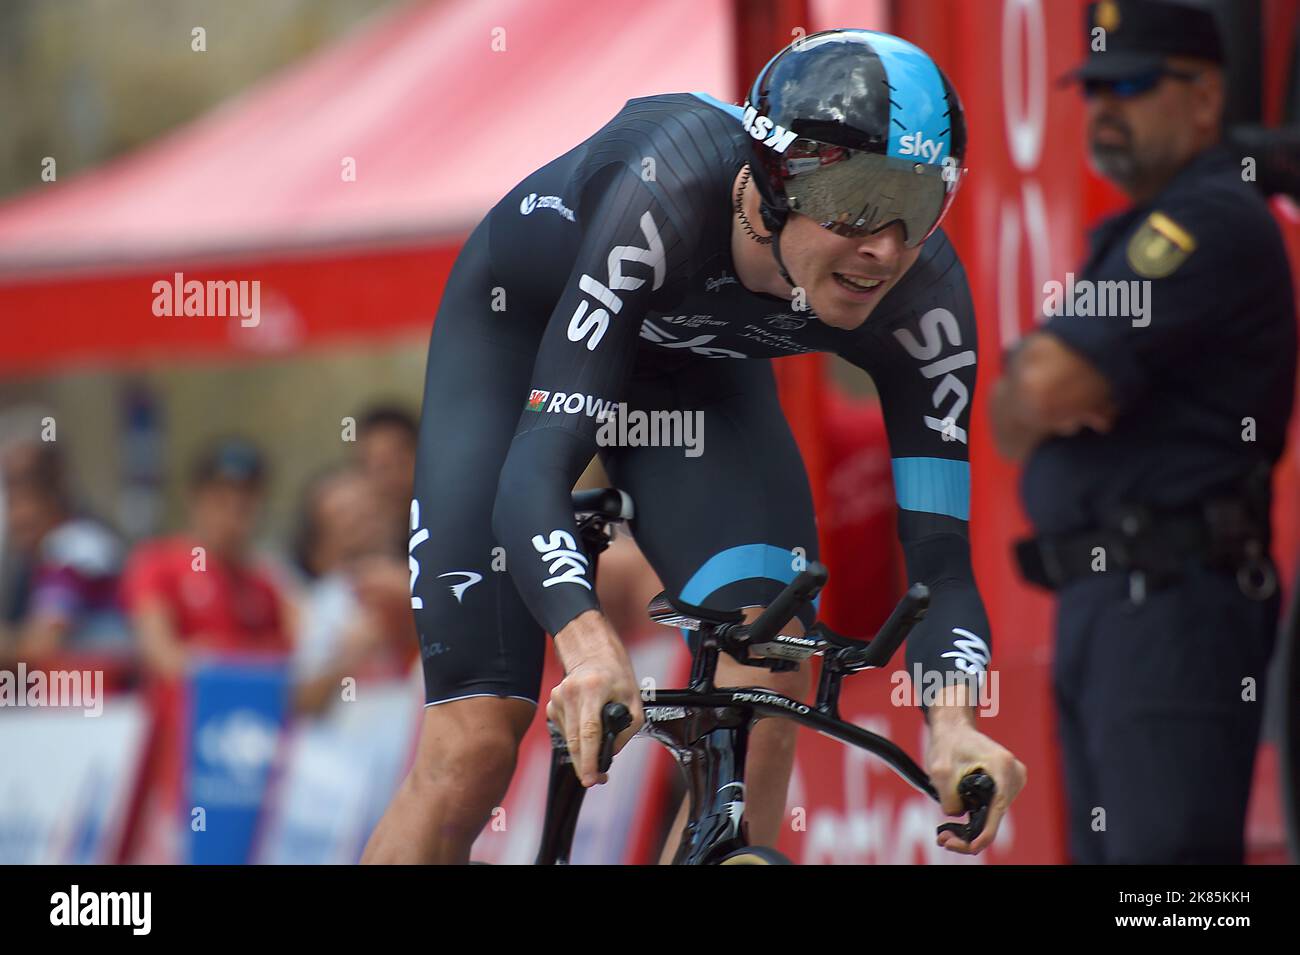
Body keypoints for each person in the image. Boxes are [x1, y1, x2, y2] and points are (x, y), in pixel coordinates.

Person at [365, 29, 1026, 864]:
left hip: (701, 375)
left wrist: (956, 724)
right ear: (775, 181)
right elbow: (534, 473)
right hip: (522, 342)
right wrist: (587, 638)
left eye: (920, 203)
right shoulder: (667, 192)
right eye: (857, 198)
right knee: (476, 742)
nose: (885, 247)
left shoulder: (925, 296)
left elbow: (942, 565)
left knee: (770, 674)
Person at [991, 0, 1296, 863]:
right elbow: (1015, 417)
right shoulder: (1136, 233)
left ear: (1205, 98)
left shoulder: (1209, 220)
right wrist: (1043, 380)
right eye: (1092, 87)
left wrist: (1047, 376)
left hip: (1171, 605)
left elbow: (1043, 382)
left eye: (1130, 82)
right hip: (1111, 607)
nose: (1103, 108)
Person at [122, 438, 292, 678]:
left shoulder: (265, 580)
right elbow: (159, 654)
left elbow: (292, 656)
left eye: (244, 504)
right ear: (195, 499)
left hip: (249, 712)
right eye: (220, 501)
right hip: (187, 712)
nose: (232, 515)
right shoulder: (158, 564)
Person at [290, 464, 415, 715]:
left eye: (368, 511)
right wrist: (352, 654)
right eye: (346, 516)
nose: (363, 525)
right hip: (336, 751)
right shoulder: (324, 601)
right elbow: (301, 700)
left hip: (406, 747)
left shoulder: (421, 587)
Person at [0, 439, 129, 662]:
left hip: (110, 691)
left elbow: (39, 646)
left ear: (52, 499)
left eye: (21, 501)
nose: (14, 517)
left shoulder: (77, 546)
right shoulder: (32, 558)